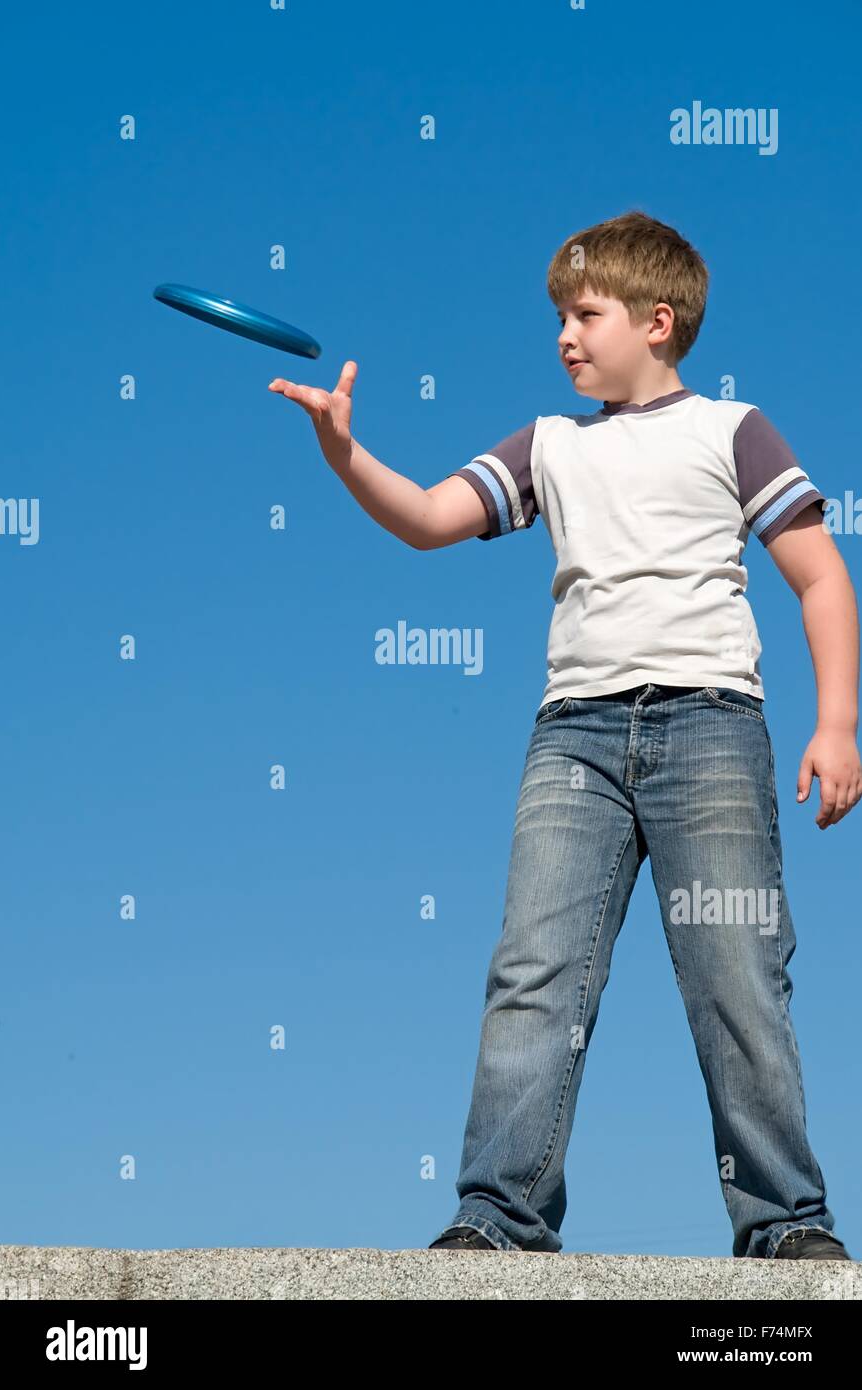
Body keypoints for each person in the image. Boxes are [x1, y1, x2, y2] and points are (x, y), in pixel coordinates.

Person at [268, 209, 860, 1261]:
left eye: (584, 314)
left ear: (657, 321)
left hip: (710, 729)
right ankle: (497, 1215)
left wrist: (836, 723)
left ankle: (782, 1221)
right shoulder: (548, 445)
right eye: (558, 316)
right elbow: (425, 517)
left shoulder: (733, 429)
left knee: (734, 969)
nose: (563, 335)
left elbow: (818, 575)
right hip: (572, 741)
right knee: (533, 970)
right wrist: (343, 451)